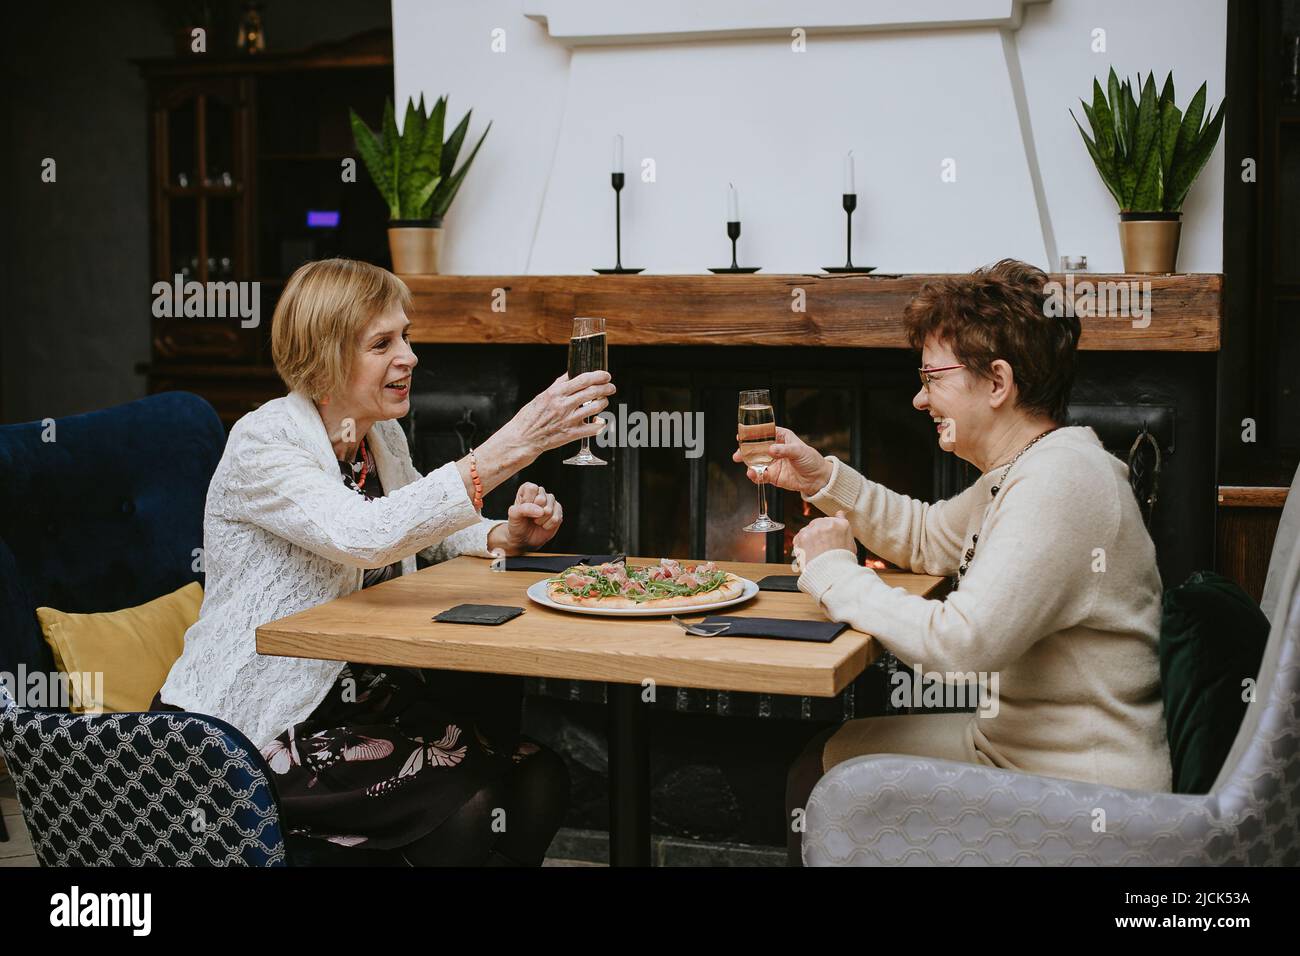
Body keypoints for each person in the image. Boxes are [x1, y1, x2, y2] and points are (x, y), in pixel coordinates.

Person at [154, 258, 616, 865]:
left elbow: (420, 526)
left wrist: (502, 536)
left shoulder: (377, 434)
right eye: (382, 343)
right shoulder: (264, 443)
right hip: (258, 725)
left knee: (538, 776)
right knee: (471, 804)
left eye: (406, 335)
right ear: (324, 357)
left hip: (359, 697)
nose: (410, 356)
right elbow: (365, 535)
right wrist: (517, 441)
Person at [736, 259, 1172, 866]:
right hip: (1015, 750)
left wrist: (834, 571)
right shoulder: (1026, 470)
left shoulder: (1060, 484)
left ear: (997, 382)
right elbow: (925, 534)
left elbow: (961, 643)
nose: (919, 399)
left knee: (820, 778)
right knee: (824, 759)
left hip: (1080, 795)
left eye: (932, 378)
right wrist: (822, 475)